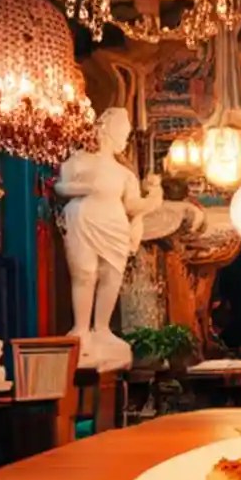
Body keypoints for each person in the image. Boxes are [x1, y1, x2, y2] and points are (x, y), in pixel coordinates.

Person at [56, 108, 162, 370]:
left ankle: (101, 328)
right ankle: (81, 328)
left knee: (111, 275)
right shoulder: (78, 160)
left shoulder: (124, 174)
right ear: (107, 129)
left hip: (114, 226)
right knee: (85, 273)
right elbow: (60, 186)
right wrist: (84, 188)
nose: (125, 140)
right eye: (122, 133)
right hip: (84, 218)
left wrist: (155, 192)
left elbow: (135, 206)